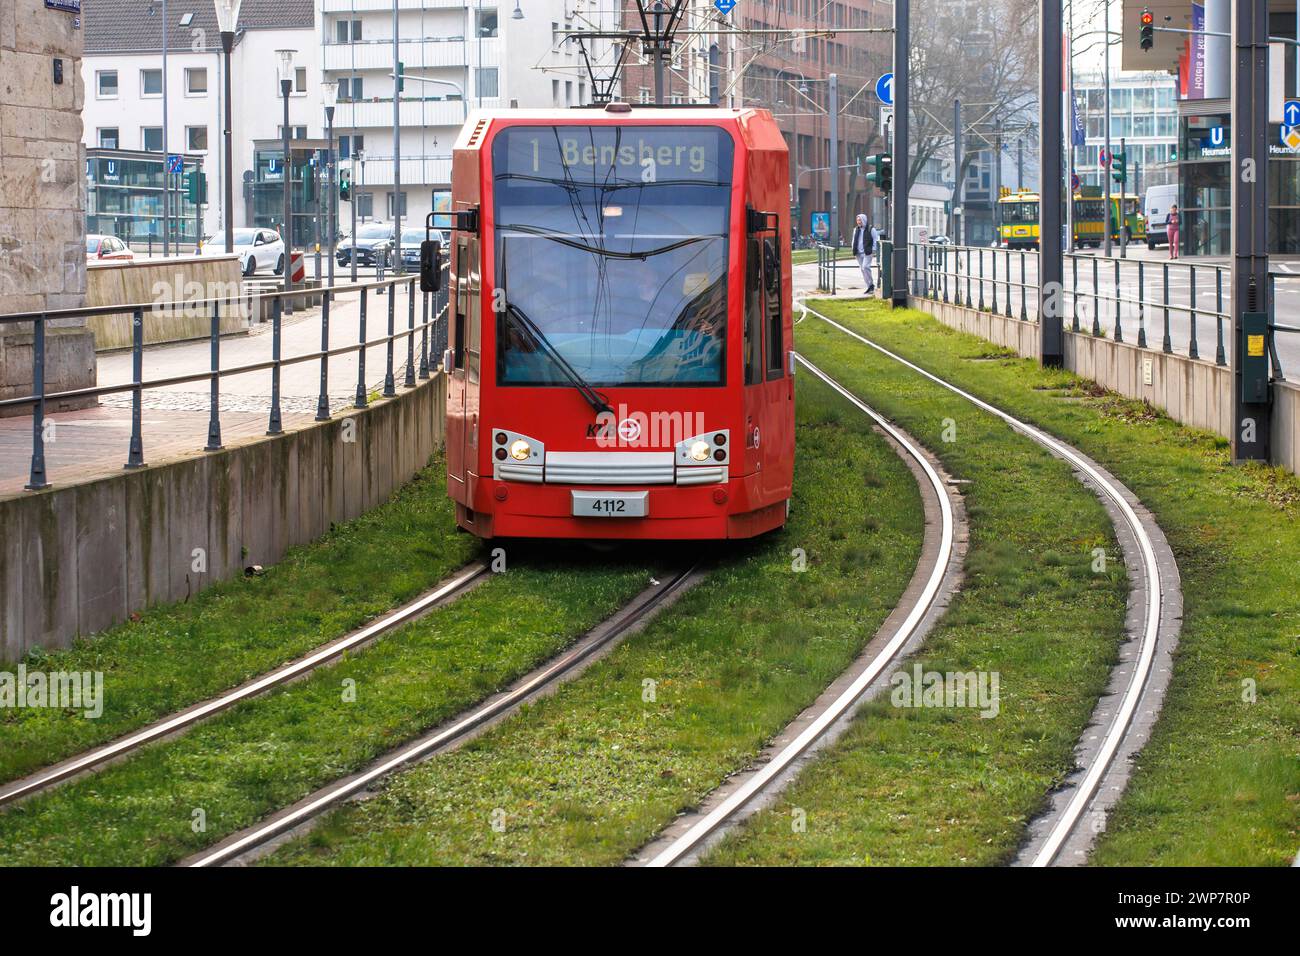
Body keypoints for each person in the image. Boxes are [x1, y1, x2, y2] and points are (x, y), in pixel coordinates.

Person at [852, 213, 879, 295]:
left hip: (867, 252)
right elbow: (853, 240)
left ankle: (871, 284)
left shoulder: (871, 229)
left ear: (864, 220)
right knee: (862, 269)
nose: (858, 222)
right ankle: (869, 286)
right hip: (858, 253)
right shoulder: (856, 229)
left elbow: (875, 239)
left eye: (860, 220)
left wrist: (873, 249)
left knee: (865, 267)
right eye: (857, 220)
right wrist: (853, 249)